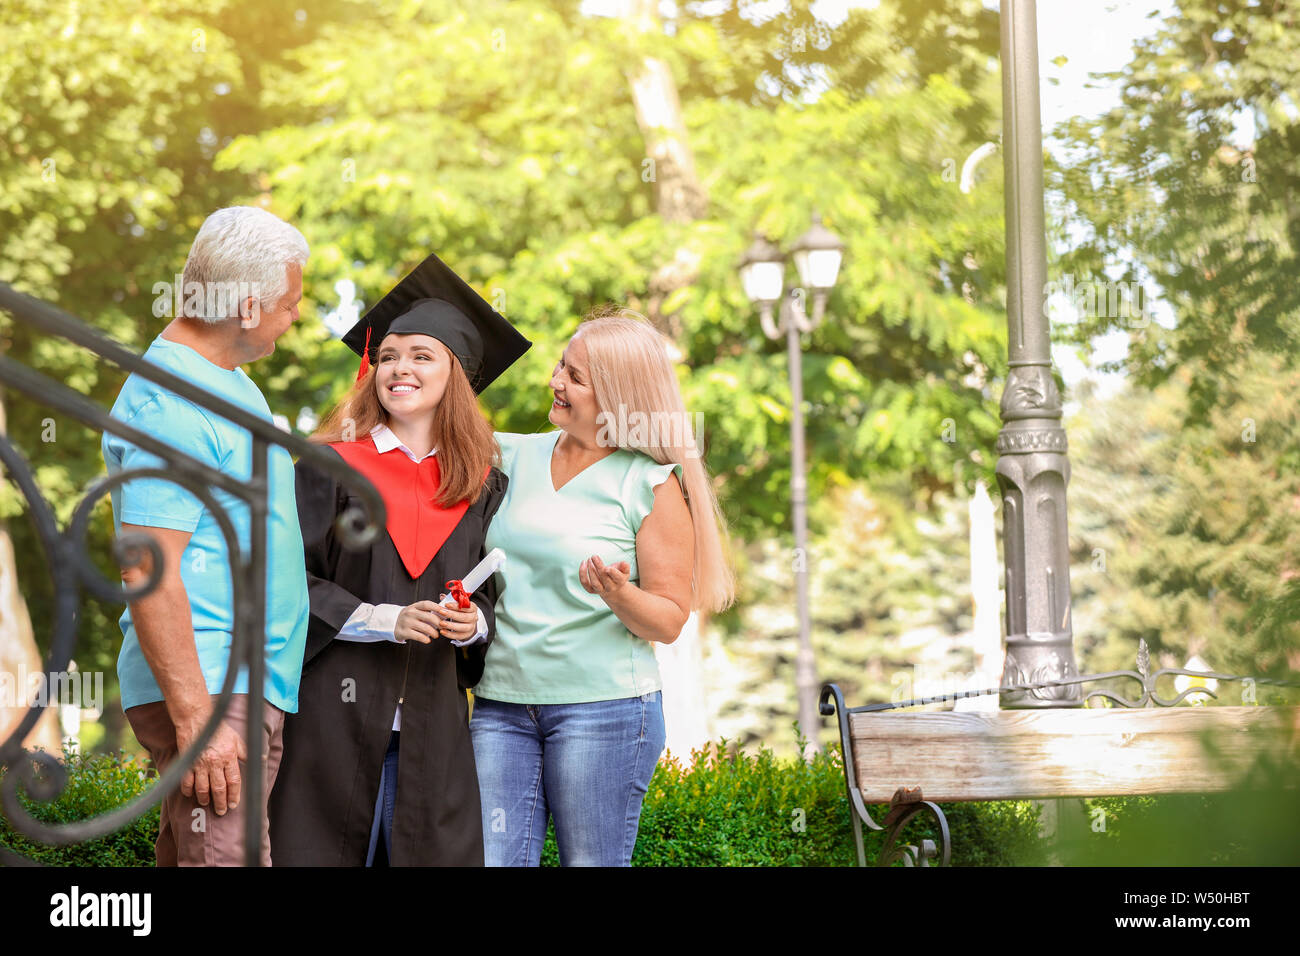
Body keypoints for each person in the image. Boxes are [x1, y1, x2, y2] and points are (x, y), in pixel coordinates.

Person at [268, 253, 531, 866]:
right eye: (386, 356)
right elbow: (281, 582)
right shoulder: (330, 468)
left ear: (457, 374)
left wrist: (475, 623)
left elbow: (485, 592)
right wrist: (383, 618)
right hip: (332, 720)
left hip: (433, 726)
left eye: (420, 355)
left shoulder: (482, 484)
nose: (398, 368)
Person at [471, 309, 735, 866]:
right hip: (502, 705)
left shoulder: (650, 483)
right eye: (560, 366)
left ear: (616, 397)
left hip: (604, 711)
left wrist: (618, 593)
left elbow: (667, 620)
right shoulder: (511, 455)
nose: (555, 381)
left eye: (575, 377)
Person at [103, 205, 311, 866]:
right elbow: (146, 567)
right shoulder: (170, 403)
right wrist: (197, 722)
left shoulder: (227, 381)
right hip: (214, 691)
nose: (297, 316)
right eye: (291, 302)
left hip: (241, 684)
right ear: (248, 307)